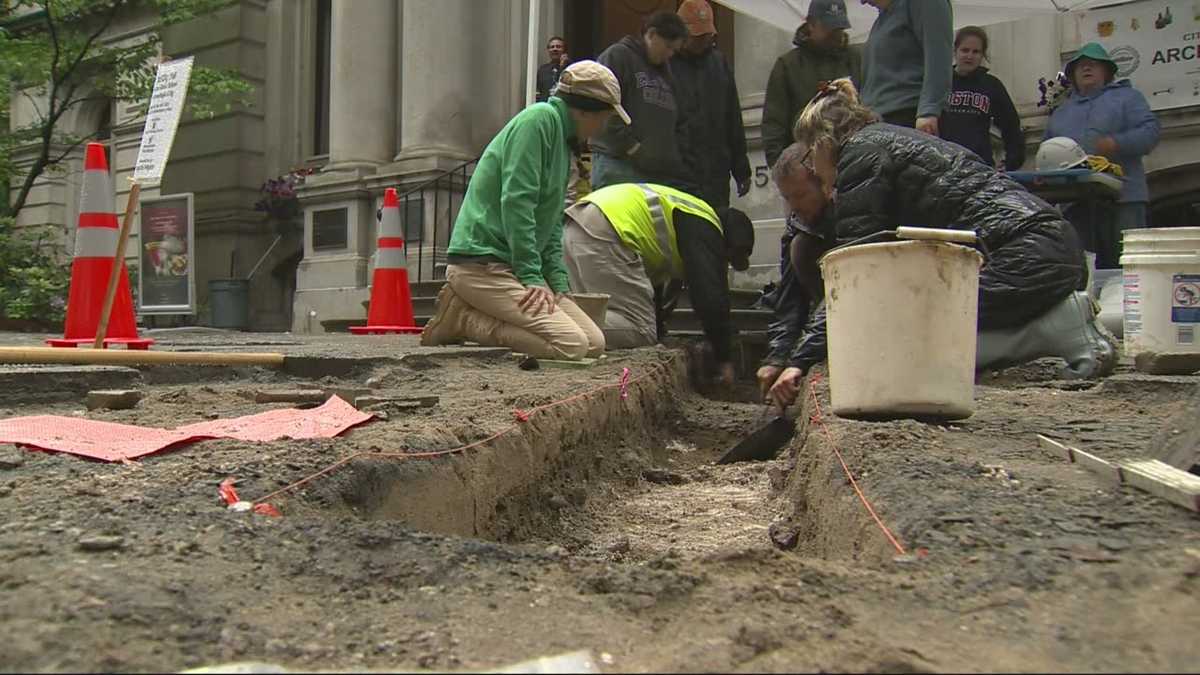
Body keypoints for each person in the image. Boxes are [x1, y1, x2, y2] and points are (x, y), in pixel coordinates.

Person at [758, 79, 1116, 409]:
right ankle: (1058, 321)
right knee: (922, 318)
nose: (814, 169)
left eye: (810, 157)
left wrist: (799, 361)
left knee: (918, 330)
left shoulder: (860, 157)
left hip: (1028, 250)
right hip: (1044, 244)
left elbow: (855, 277)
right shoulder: (883, 142)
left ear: (822, 143)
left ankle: (1062, 328)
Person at [421, 61, 628, 361]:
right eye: (604, 118)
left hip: (514, 268)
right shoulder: (539, 120)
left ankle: (474, 311)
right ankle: (464, 319)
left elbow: (552, 222)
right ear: (585, 110)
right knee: (572, 346)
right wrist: (532, 276)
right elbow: (517, 201)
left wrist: (557, 283)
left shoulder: (563, 142)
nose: (603, 128)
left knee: (594, 343)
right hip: (483, 266)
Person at [562, 183, 755, 385]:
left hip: (578, 222)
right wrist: (724, 357)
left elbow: (650, 291)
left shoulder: (687, 215)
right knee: (640, 330)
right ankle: (556, 328)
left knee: (593, 309)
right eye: (728, 259)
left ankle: (557, 324)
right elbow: (709, 296)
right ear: (728, 241)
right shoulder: (707, 226)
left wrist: (660, 326)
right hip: (608, 229)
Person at [1044, 42, 1160, 267]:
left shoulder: (1128, 98)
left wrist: (1117, 143)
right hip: (1076, 204)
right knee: (1081, 269)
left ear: (1107, 71)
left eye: (1094, 64)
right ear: (1073, 75)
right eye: (1081, 66)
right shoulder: (1060, 113)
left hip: (1124, 199)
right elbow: (1046, 151)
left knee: (1129, 266)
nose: (1087, 68)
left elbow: (1150, 132)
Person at [591, 11, 690, 191]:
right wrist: (632, 147)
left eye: (674, 50)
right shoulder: (618, 56)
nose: (670, 54)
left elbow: (680, 117)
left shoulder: (667, 73)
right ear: (651, 34)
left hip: (657, 172)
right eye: (668, 46)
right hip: (618, 164)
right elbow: (601, 105)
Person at [669, 0, 751, 209]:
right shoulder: (665, 64)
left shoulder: (719, 63)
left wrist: (742, 169)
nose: (704, 40)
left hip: (715, 172)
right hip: (678, 173)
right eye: (698, 36)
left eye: (707, 35)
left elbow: (732, 117)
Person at [761, 0, 860, 169]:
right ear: (811, 24)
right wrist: (779, 166)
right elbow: (774, 123)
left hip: (853, 160)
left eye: (839, 28)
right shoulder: (787, 66)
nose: (836, 34)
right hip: (806, 166)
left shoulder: (857, 59)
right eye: (829, 28)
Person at [859, 0, 953, 134]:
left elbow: (938, 56)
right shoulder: (884, 18)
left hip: (909, 115)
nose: (863, 2)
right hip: (879, 120)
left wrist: (928, 111)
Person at [939, 25, 1025, 170]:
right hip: (944, 164)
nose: (969, 56)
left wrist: (1011, 163)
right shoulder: (939, 83)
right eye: (965, 50)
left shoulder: (991, 85)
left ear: (982, 55)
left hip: (979, 165)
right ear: (955, 51)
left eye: (976, 52)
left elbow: (1012, 127)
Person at [536, 37, 570, 103]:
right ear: (548, 50)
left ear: (564, 50)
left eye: (558, 47)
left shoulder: (570, 68)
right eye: (552, 47)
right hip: (546, 106)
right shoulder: (542, 70)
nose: (555, 49)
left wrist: (562, 66)